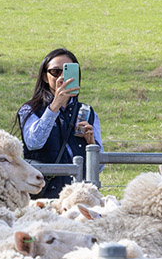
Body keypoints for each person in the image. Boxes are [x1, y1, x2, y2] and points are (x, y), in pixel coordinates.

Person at [18, 48, 102, 199]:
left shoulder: (87, 111)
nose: (62, 77)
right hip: (44, 195)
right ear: (45, 76)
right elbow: (33, 143)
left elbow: (100, 166)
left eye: (68, 72)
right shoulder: (29, 109)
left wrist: (91, 144)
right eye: (56, 72)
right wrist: (54, 107)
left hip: (79, 196)